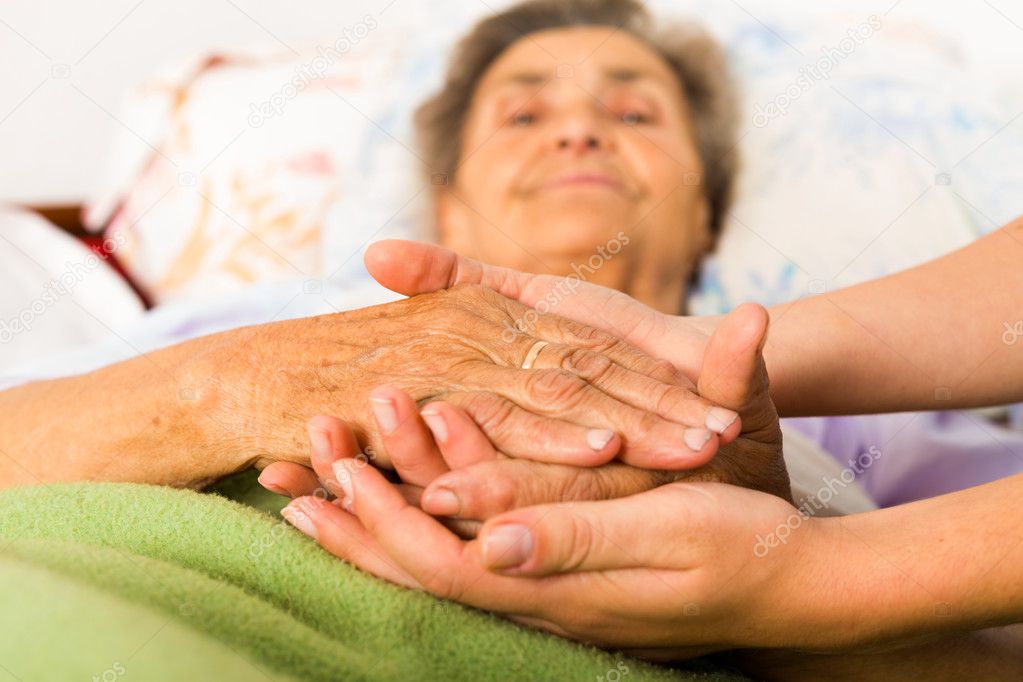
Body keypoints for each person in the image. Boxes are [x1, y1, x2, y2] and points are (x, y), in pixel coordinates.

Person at [275, 219, 1023, 677]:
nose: (577, 131)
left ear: (702, 216)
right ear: (451, 195)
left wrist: (814, 583)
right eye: (523, 110)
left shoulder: (878, 436)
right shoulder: (271, 320)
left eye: (634, 112)